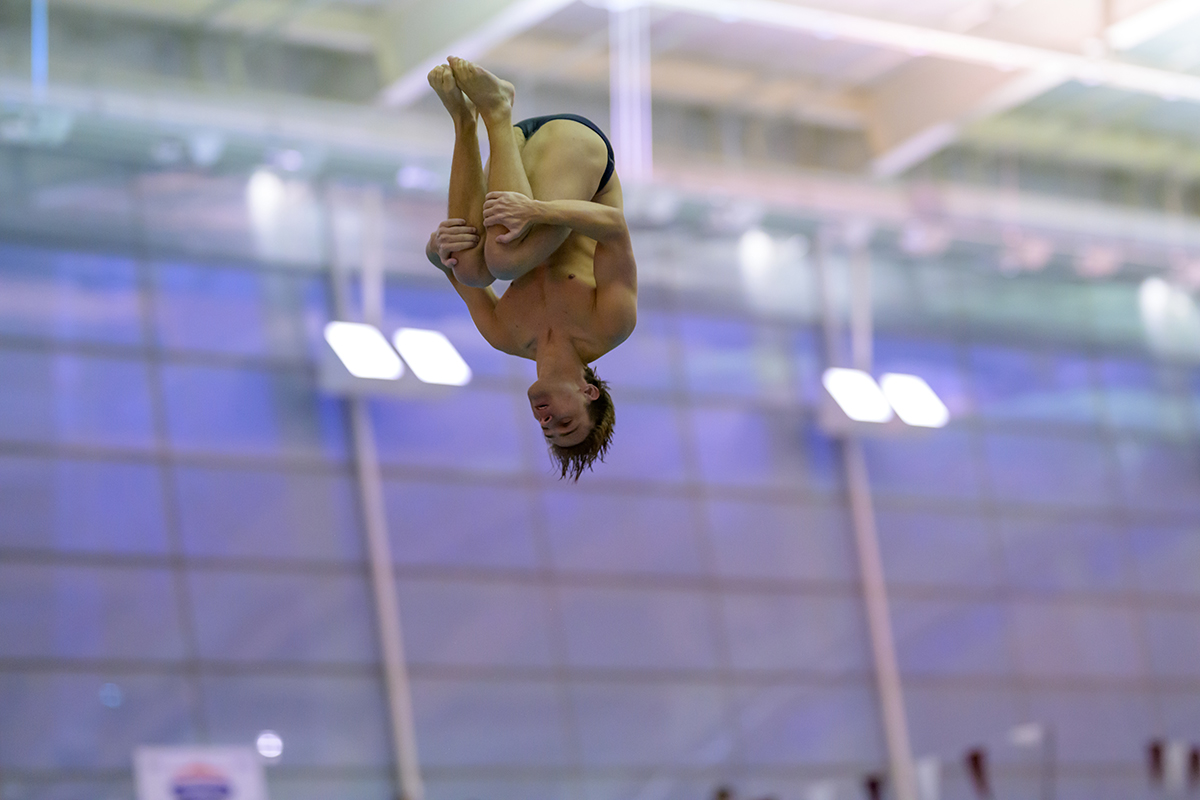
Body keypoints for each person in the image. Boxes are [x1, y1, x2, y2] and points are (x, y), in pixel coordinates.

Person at [424, 57, 638, 480]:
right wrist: (538, 210)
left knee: (470, 267)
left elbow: (446, 266)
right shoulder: (610, 325)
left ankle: (465, 120)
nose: (547, 420)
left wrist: (436, 247)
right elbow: (615, 228)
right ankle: (497, 109)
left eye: (547, 430)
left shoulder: (504, 335)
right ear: (587, 392)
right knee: (504, 258)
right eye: (565, 422)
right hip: (574, 151)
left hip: (516, 156)